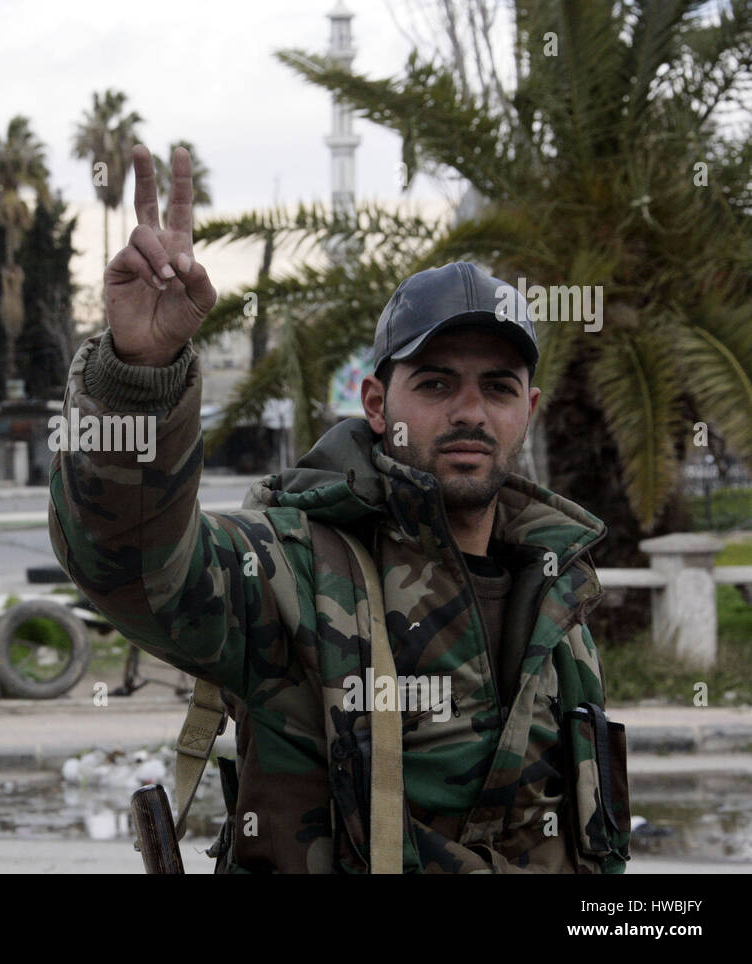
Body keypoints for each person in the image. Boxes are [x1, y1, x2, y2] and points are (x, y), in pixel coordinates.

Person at [48, 144, 630, 874]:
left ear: (530, 410)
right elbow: (129, 565)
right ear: (379, 405)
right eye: (438, 384)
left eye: (499, 388)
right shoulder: (295, 570)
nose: (471, 412)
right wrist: (137, 377)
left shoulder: (556, 590)